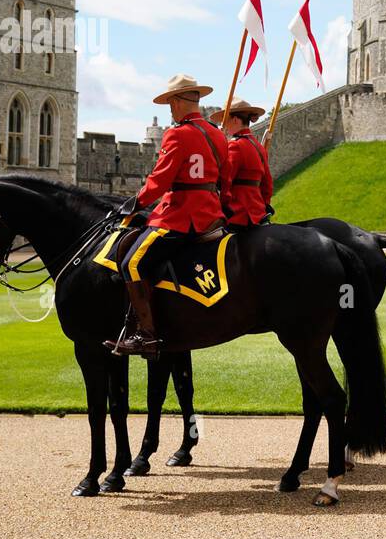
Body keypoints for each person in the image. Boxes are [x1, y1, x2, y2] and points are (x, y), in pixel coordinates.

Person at [106, 74, 229, 356]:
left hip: (181, 216)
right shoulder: (218, 135)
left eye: (170, 103)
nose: (169, 110)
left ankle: (146, 334)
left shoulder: (177, 133)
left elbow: (159, 182)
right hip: (211, 215)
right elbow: (227, 180)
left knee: (131, 263)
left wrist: (134, 203)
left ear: (177, 101)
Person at [210, 97, 274, 228]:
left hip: (238, 213)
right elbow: (267, 185)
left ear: (235, 120)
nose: (225, 126)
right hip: (258, 212)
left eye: (226, 121)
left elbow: (226, 182)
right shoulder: (259, 147)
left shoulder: (234, 145)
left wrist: (222, 206)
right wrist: (264, 205)